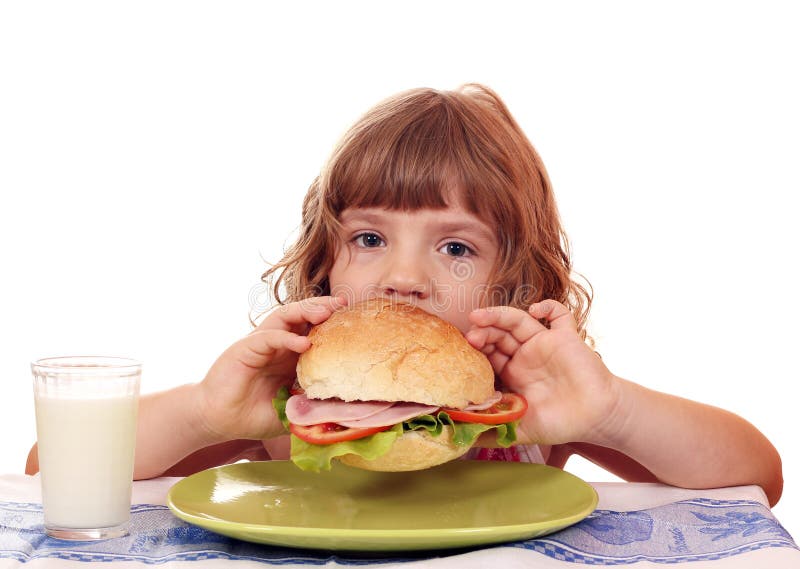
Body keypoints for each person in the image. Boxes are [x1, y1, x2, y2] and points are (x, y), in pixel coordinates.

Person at [25, 84, 783, 506]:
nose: (403, 276)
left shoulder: (528, 406)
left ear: (510, 280)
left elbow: (758, 475)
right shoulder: (286, 399)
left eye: (456, 247)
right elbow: (49, 469)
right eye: (368, 238)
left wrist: (613, 410)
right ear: (325, 265)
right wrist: (200, 411)